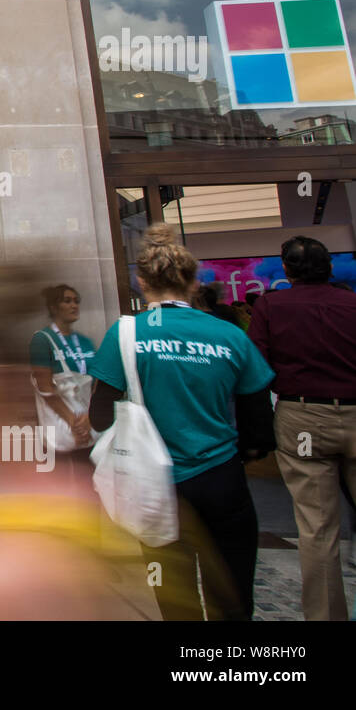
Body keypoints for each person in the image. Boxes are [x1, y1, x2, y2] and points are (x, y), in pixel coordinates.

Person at [89, 224, 274, 621]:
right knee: (232, 593)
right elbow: (259, 423)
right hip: (222, 477)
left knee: (174, 598)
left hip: (155, 485)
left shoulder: (125, 334)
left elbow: (99, 416)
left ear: (141, 281)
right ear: (193, 281)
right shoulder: (229, 335)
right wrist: (243, 452)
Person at [247, 236, 356, 621]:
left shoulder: (271, 306)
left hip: (303, 415)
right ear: (328, 268)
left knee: (317, 527)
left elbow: (255, 371)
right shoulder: (351, 303)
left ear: (287, 271)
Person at [29, 285, 96, 485]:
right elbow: (44, 385)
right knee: (63, 491)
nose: (74, 305)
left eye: (76, 301)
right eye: (67, 301)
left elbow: (96, 383)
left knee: (90, 489)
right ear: (54, 307)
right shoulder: (42, 340)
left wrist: (89, 419)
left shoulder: (85, 341)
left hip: (88, 424)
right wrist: (74, 424)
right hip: (63, 427)